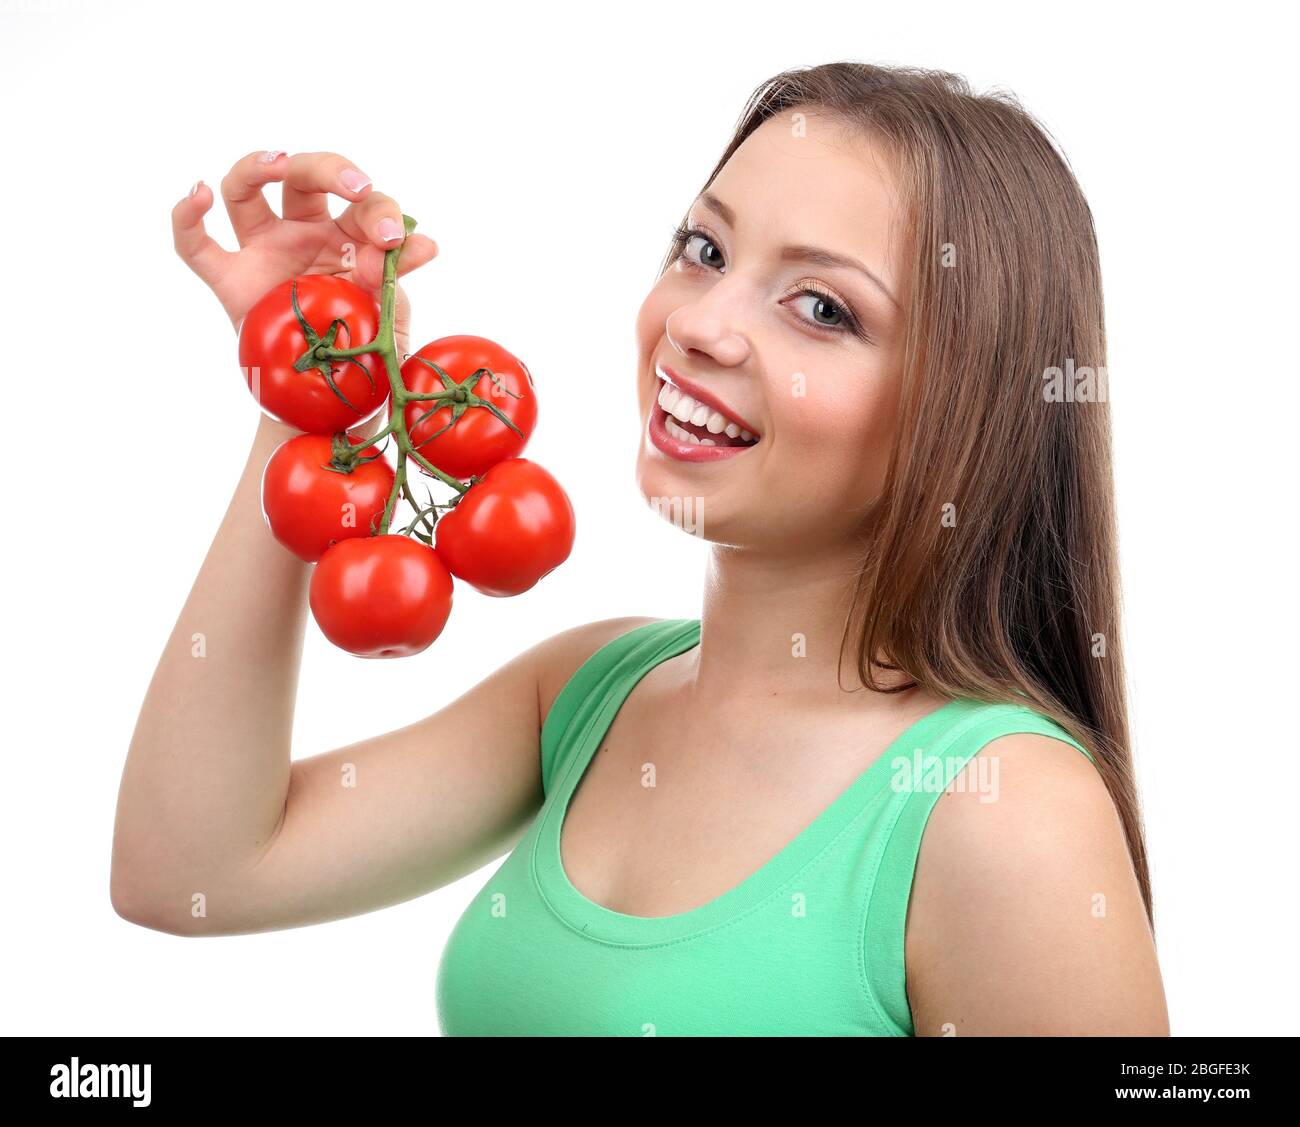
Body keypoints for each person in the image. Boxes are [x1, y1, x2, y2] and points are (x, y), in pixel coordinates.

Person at [113, 61, 1169, 1037]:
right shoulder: (589, 691)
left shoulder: (1004, 810)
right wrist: (308, 385)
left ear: (967, 407)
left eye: (821, 307)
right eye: (704, 249)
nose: (701, 322)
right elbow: (191, 868)